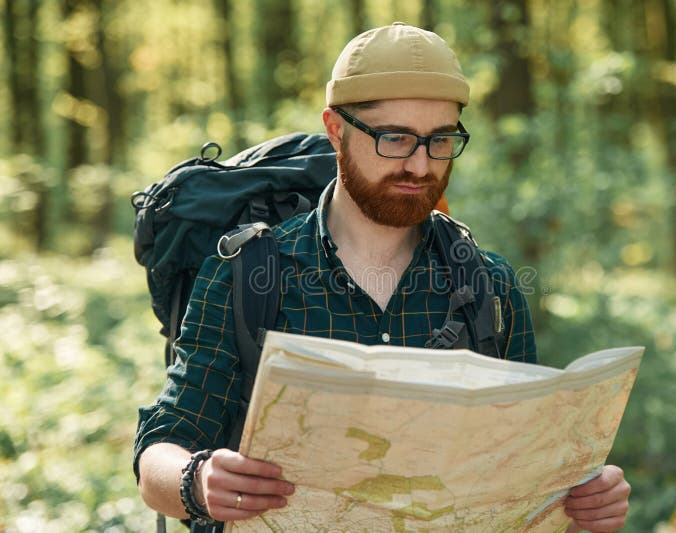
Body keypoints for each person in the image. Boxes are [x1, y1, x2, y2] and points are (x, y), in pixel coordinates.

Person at [134, 22, 630, 532]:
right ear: (335, 129)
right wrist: (197, 479)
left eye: (440, 140)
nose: (420, 165)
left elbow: (522, 485)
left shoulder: (490, 285)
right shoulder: (248, 272)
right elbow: (158, 455)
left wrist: (583, 507)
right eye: (395, 138)